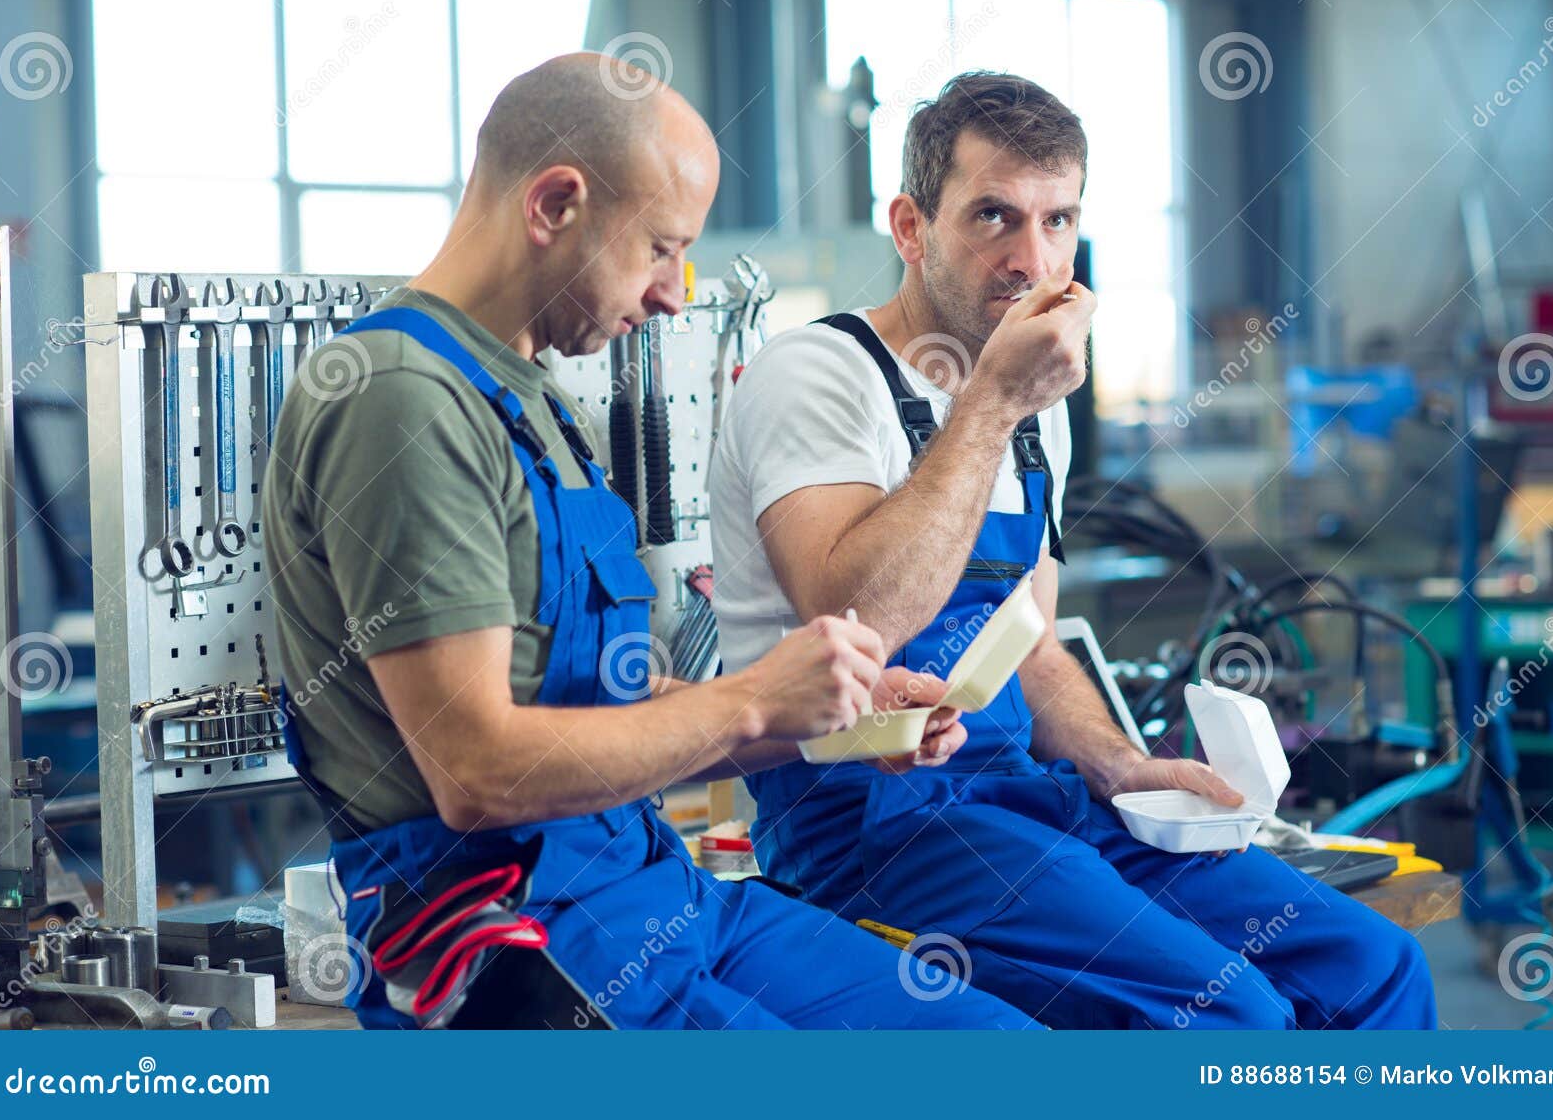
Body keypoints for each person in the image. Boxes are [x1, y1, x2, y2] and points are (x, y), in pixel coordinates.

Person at [264, 54, 1036, 1031]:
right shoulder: (401, 401)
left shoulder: (531, 397)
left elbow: (598, 700)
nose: (675, 294)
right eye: (661, 249)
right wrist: (753, 700)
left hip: (654, 893)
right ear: (554, 205)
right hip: (522, 942)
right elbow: (477, 771)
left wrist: (830, 713)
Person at [708, 71, 1438, 1030]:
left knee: (1375, 966)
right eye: (994, 218)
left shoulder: (1027, 413)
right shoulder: (821, 376)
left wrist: (1119, 765)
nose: (1032, 258)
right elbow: (859, 624)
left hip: (1034, 800)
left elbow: (1034, 645)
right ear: (910, 227)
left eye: (1059, 222)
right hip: (877, 827)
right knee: (1232, 1020)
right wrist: (993, 402)